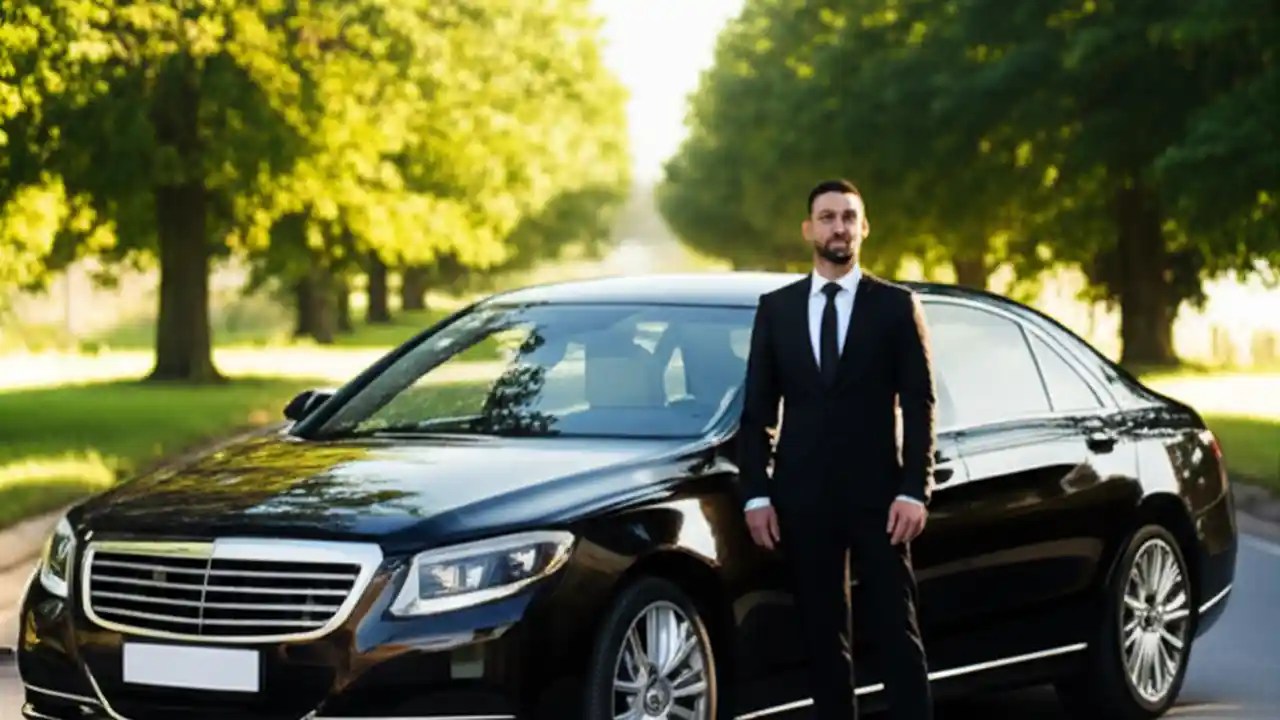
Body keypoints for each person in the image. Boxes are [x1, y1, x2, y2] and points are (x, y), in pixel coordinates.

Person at [737, 178, 936, 719]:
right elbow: (757, 412)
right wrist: (756, 494)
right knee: (823, 642)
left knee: (897, 635)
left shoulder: (895, 307)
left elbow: (919, 405)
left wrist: (915, 489)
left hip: (880, 500)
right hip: (801, 500)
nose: (839, 227)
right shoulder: (775, 309)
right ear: (808, 230)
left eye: (849, 216)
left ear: (864, 228)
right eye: (827, 217)